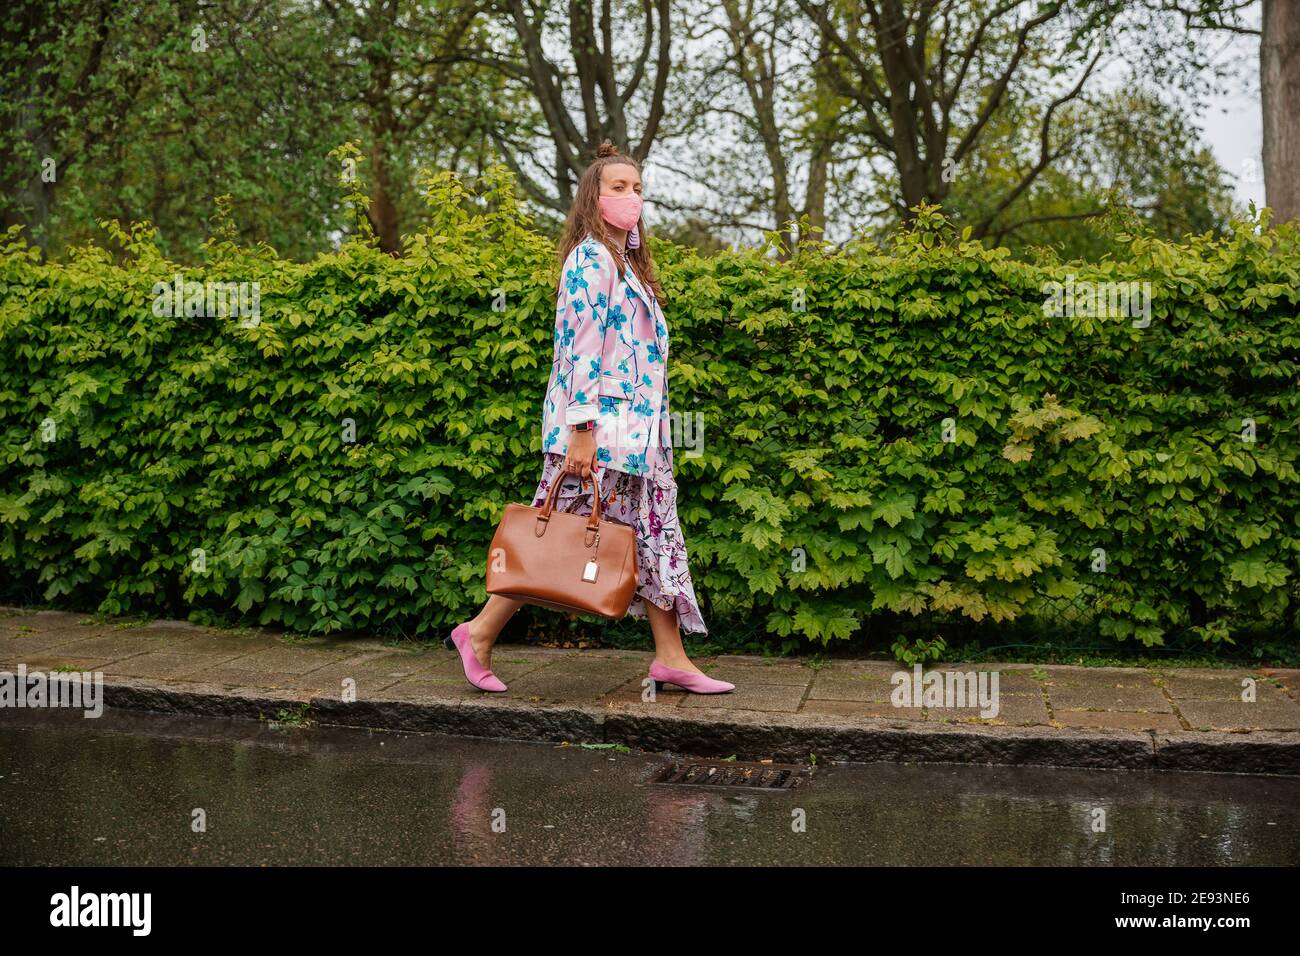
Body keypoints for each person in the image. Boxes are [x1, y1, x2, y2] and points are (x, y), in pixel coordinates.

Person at [445, 141, 734, 696]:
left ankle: (671, 658)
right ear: (592, 199)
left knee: (655, 537)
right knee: (548, 538)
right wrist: (580, 429)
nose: (633, 198)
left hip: (639, 436)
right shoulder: (590, 259)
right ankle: (478, 633)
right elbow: (578, 348)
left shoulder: (628, 265)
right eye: (619, 188)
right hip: (598, 434)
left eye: (638, 188)